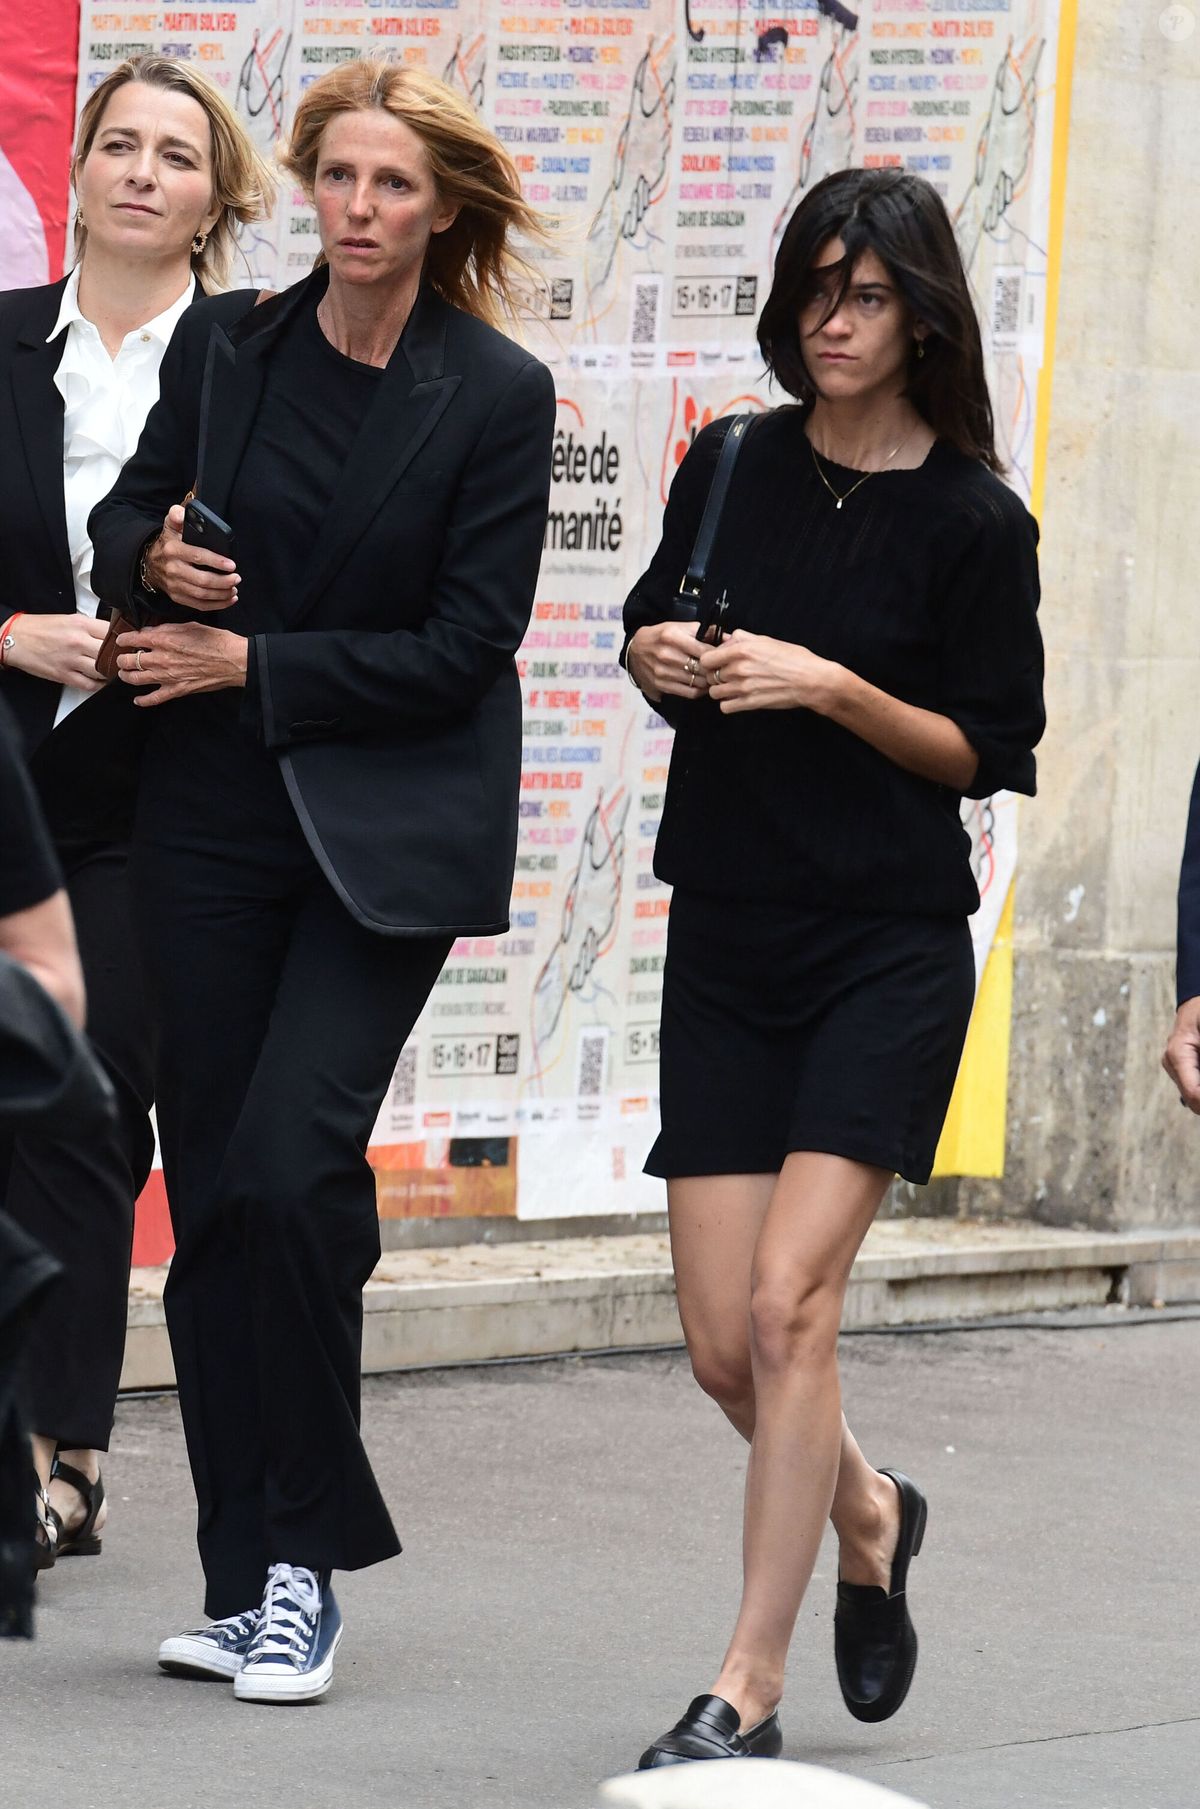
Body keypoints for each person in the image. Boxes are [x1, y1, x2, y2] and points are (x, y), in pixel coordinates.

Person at [89, 58, 555, 1705]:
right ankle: (249, 1578)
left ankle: (306, 1557)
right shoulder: (230, 346)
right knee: (218, 1197)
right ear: (307, 189)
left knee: (292, 1170)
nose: (360, 213)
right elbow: (126, 518)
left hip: (377, 845)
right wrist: (151, 558)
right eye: (339, 181)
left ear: (444, 210)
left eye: (394, 188)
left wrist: (253, 663)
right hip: (206, 825)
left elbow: (462, 647)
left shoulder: (495, 392)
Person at [622, 168, 1045, 1766]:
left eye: (864, 294)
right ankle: (873, 1510)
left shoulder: (975, 521)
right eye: (813, 289)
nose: (834, 319)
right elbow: (669, 632)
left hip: (884, 946)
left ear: (922, 313)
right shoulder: (731, 458)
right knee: (727, 1344)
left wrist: (835, 686)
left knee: (797, 1306)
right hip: (727, 931)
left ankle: (746, 1677)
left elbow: (988, 746)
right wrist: (660, 654)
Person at [0, 55, 273, 1572]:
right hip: (8, 769)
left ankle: (63, 1453)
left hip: (162, 790)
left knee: (85, 1101)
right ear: (82, 169)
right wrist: (11, 633)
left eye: (179, 153)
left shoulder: (252, 362)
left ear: (215, 197)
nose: (143, 171)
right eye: (120, 142)